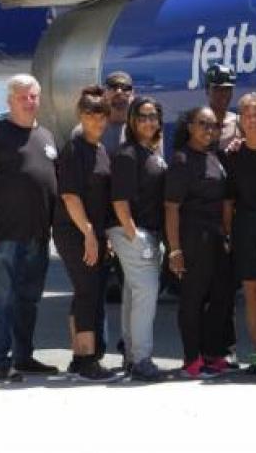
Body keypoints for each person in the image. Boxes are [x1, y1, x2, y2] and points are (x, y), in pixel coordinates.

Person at [0, 74, 59, 382]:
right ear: (10, 101)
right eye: (23, 97)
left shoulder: (46, 136)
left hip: (38, 235)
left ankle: (24, 356)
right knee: (2, 301)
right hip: (3, 235)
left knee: (29, 301)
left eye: (33, 96)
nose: (29, 101)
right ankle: (1, 361)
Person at [165, 106, 236, 379]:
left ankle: (212, 354)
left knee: (220, 296)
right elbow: (171, 207)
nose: (209, 130)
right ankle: (191, 360)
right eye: (203, 124)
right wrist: (175, 250)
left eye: (214, 125)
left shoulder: (215, 156)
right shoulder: (182, 160)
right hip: (193, 238)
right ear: (190, 126)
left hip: (216, 237)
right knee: (192, 299)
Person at [51, 85, 116, 382]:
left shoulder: (100, 149)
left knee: (88, 291)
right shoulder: (75, 149)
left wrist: (104, 236)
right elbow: (70, 197)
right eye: (91, 115)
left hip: (95, 232)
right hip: (74, 230)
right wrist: (89, 233)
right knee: (88, 290)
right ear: (80, 115)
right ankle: (88, 360)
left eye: (102, 115)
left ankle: (79, 356)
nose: (98, 121)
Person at [107, 96, 167, 383]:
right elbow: (120, 201)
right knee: (146, 295)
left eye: (153, 116)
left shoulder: (150, 151)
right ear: (131, 121)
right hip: (132, 232)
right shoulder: (127, 154)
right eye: (141, 116)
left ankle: (132, 356)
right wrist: (136, 236)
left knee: (133, 295)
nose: (148, 121)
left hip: (146, 234)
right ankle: (142, 359)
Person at [224, 93, 256, 373]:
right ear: (240, 121)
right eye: (246, 116)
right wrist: (229, 234)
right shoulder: (233, 155)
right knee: (252, 291)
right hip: (245, 227)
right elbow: (228, 201)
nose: (252, 120)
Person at [205, 64, 241, 151]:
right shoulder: (197, 124)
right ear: (207, 90)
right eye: (217, 88)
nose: (222, 94)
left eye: (227, 89)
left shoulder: (239, 123)